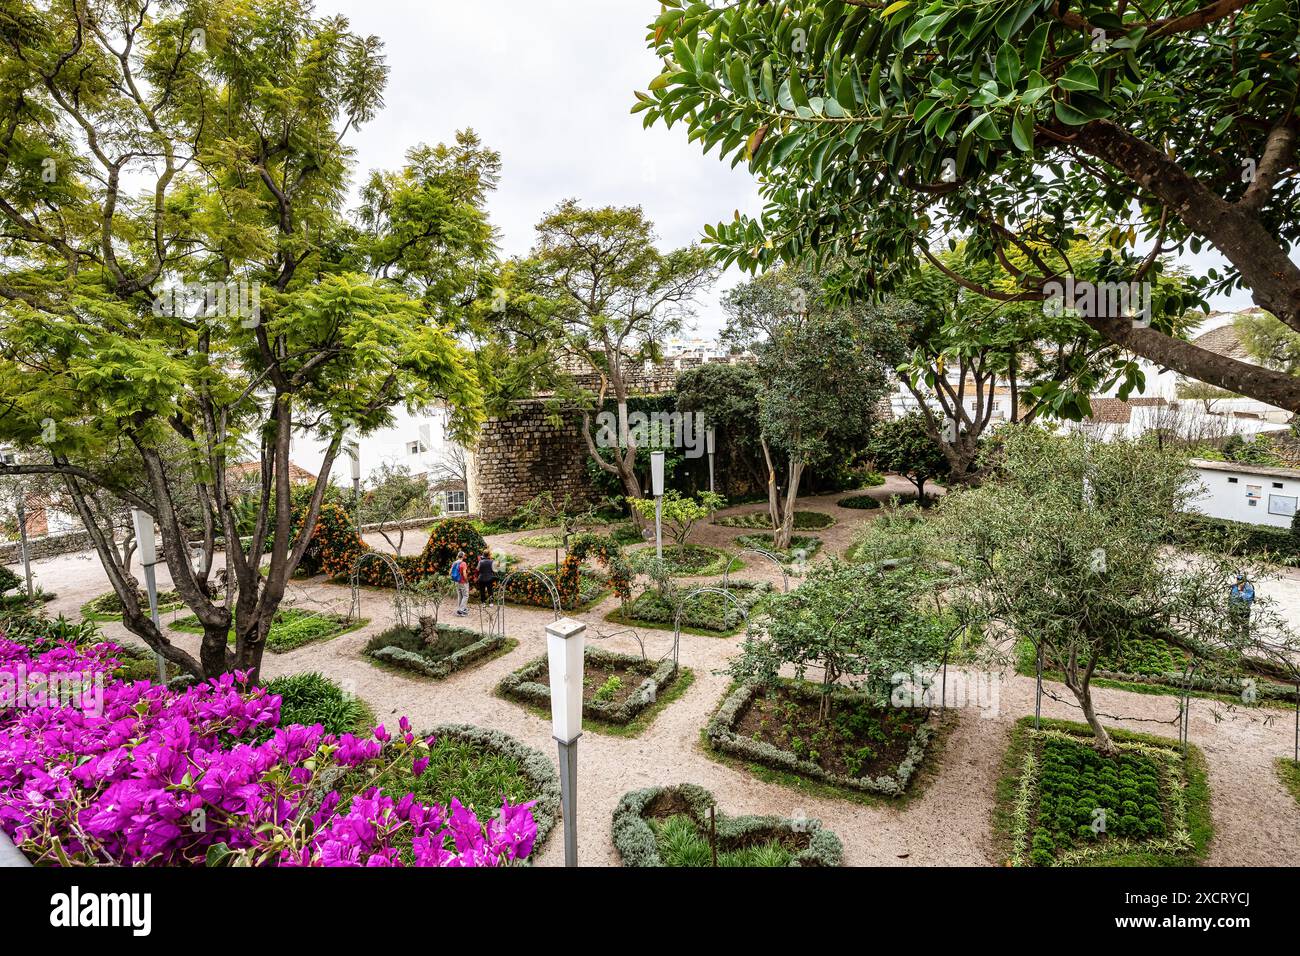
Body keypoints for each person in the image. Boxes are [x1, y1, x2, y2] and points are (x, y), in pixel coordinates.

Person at [1229, 572, 1255, 639]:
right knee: (1234, 624)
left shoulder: (1249, 589)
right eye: (1238, 579)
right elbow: (1231, 597)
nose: (1239, 581)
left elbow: (1248, 600)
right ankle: (1233, 637)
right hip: (1234, 608)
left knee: (1245, 626)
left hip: (1244, 610)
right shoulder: (1234, 587)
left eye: (1241, 580)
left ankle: (1245, 639)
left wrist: (1240, 592)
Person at [450, 551, 470, 617]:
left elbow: (450, 572)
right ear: (463, 556)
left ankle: (460, 609)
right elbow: (464, 574)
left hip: (456, 581)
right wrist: (466, 580)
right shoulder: (463, 563)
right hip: (462, 582)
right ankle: (461, 610)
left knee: (460, 595)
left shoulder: (454, 563)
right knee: (465, 595)